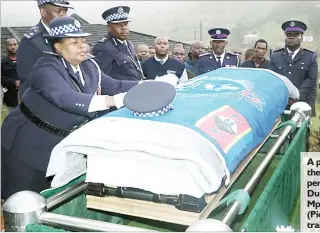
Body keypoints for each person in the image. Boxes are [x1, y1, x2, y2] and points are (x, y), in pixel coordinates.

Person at [1, 16, 142, 199]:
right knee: (21, 199)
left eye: (83, 40)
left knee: (49, 196)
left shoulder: (89, 65)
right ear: (58, 46)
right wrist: (112, 100)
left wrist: (148, 85)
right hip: (27, 142)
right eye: (74, 42)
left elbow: (115, 85)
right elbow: (64, 98)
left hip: (58, 142)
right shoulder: (46, 67)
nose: (83, 46)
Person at [16, 0, 73, 100]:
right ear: (43, 12)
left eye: (65, 11)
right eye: (59, 11)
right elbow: (29, 82)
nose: (64, 16)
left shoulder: (69, 37)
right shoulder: (31, 42)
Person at [269, 20, 318, 117]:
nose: (291, 37)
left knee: (300, 131)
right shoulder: (276, 56)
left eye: (295, 34)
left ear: (301, 37)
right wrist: (285, 96)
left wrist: (296, 96)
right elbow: (272, 78)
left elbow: (311, 79)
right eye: (288, 34)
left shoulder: (310, 56)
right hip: (281, 103)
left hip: (302, 104)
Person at [92, 6, 144, 81]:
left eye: (126, 24)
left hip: (136, 88)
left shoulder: (128, 44)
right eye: (119, 25)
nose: (124, 28)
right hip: (121, 91)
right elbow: (104, 80)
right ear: (109, 28)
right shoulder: (103, 47)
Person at [1, 38, 19, 112]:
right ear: (6, 47)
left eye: (15, 44)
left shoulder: (25, 60)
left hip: (26, 96)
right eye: (10, 45)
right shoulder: (3, 63)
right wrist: (14, 82)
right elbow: (1, 78)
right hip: (11, 97)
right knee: (14, 120)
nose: (13, 47)